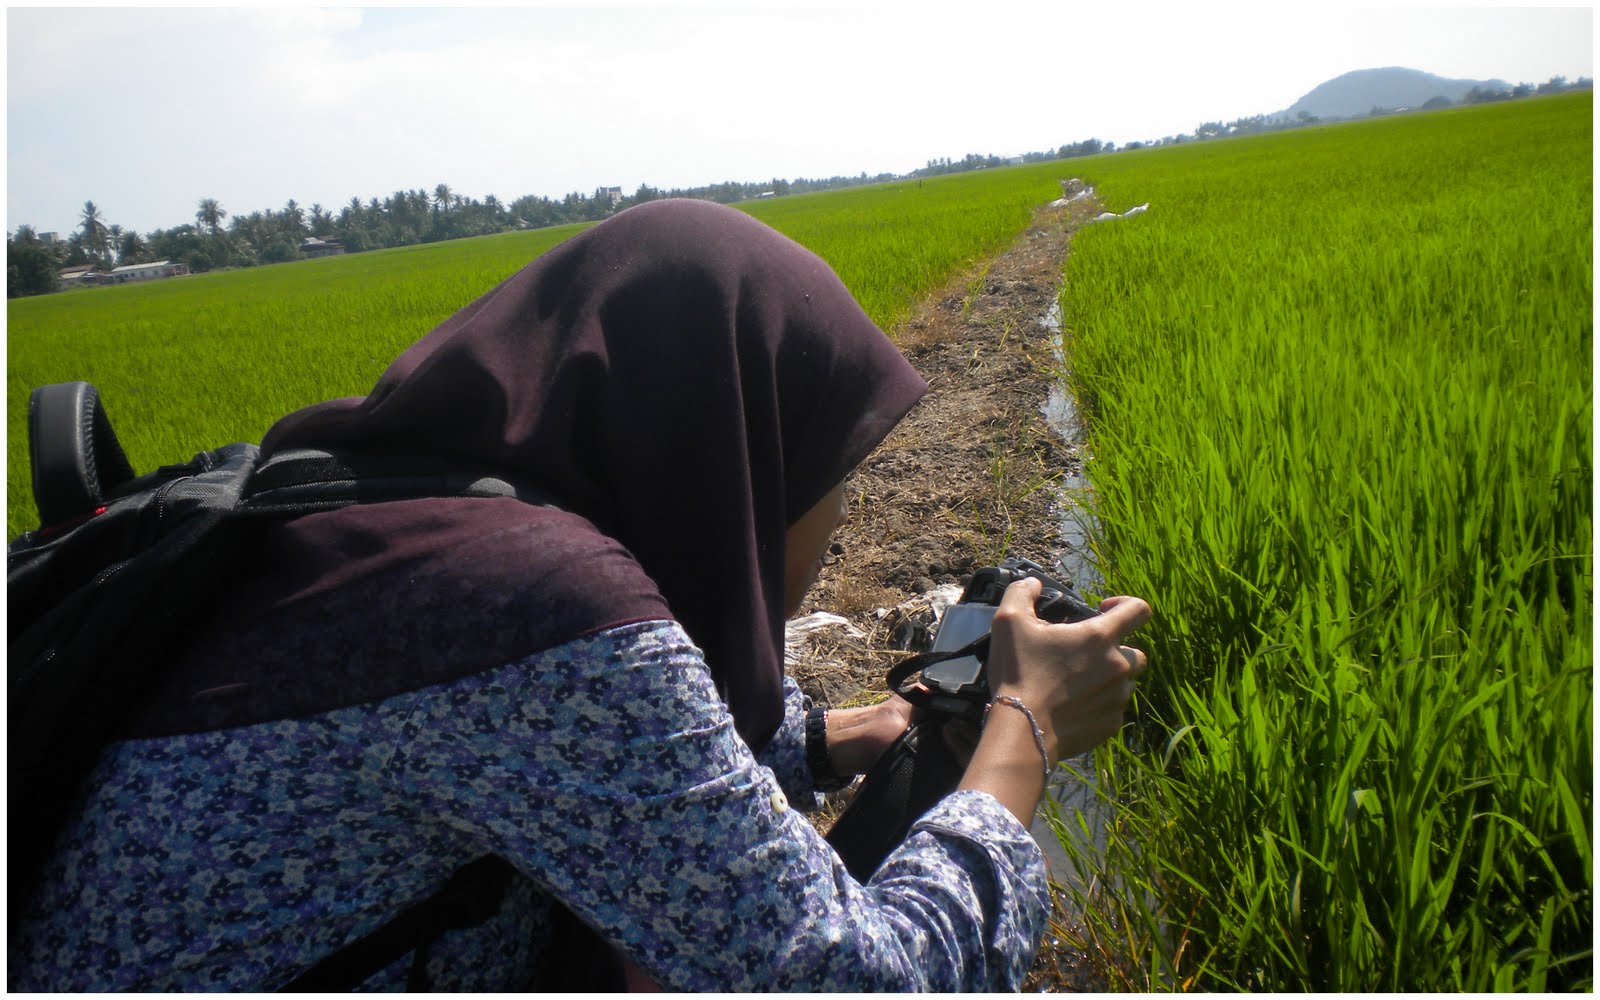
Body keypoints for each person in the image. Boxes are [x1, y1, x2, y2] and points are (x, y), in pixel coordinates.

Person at [10, 199, 1150, 991]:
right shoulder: (532, 601)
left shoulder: (376, 509)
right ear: (734, 447)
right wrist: (1024, 734)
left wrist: (822, 738)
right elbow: (855, 983)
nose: (827, 517)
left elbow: (530, 773)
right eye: (824, 475)